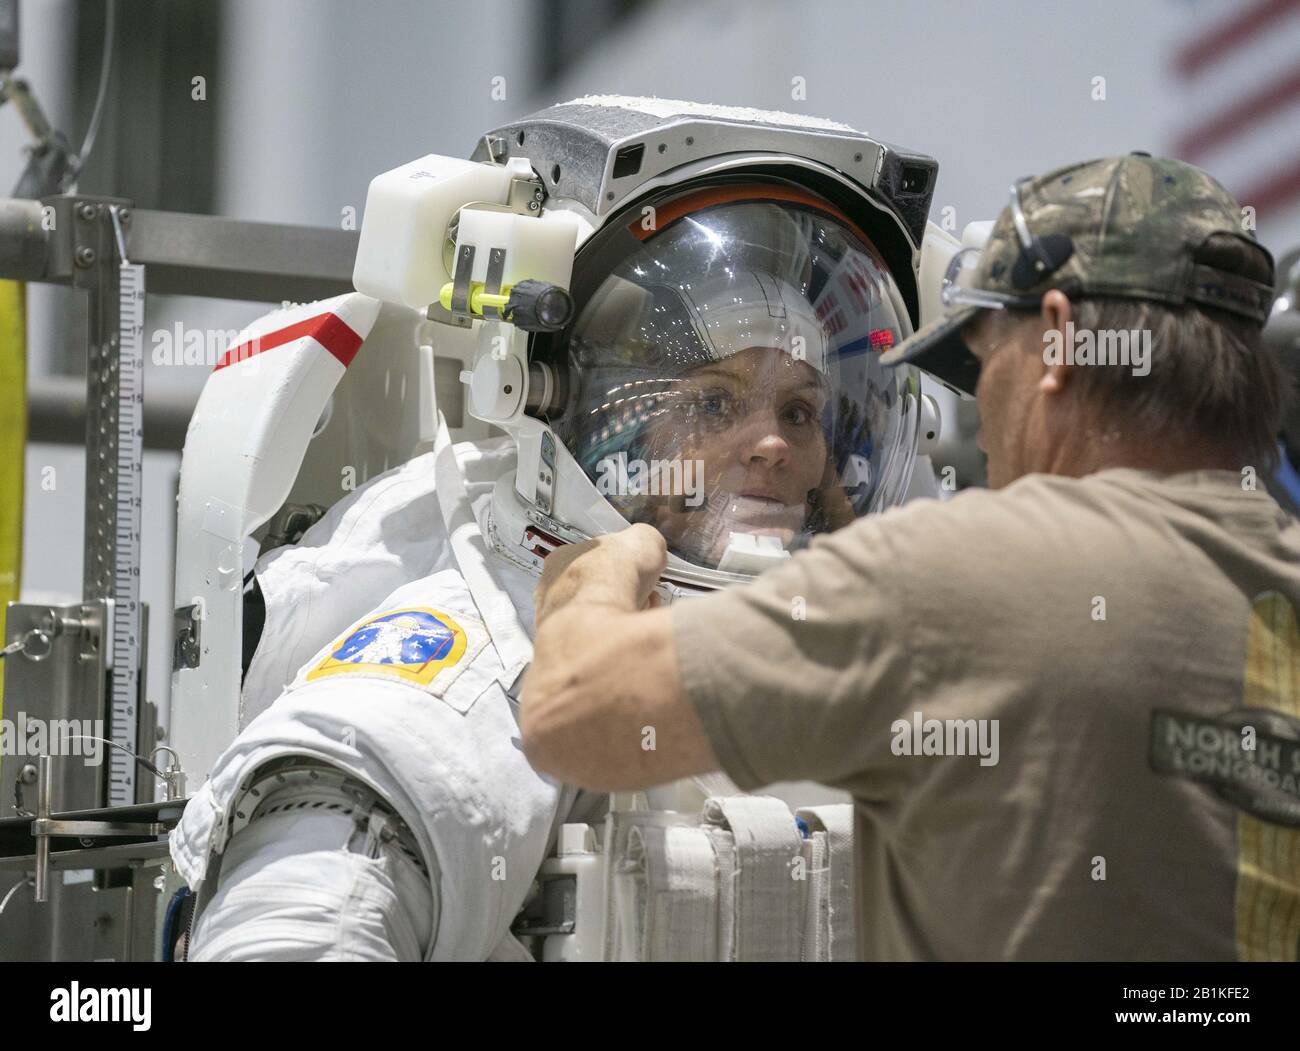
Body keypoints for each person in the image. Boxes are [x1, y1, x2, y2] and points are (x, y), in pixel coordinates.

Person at [521, 153, 1300, 961]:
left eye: (982, 361)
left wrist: (594, 575)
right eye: (717, 403)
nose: (980, 422)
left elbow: (576, 714)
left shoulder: (964, 575)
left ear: (1060, 340)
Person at [169, 173, 932, 960]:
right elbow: (294, 931)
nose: (771, 443)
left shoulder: (885, 675)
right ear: (609, 434)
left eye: (799, 412)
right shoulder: (476, 677)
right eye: (714, 404)